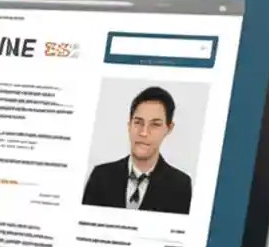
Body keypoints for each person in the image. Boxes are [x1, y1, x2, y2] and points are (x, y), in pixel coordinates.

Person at [82, 86, 192, 214]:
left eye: (155, 124)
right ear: (129, 125)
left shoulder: (180, 186)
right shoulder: (100, 176)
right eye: (138, 122)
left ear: (169, 128)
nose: (144, 132)